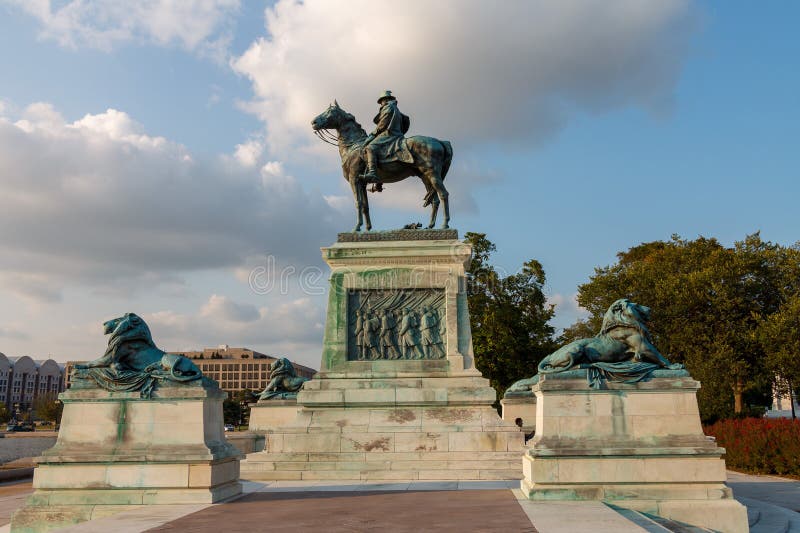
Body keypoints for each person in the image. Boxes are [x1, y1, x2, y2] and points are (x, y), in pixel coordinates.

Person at [362, 90, 411, 182]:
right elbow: (406, 122)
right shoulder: (396, 109)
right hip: (398, 134)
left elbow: (382, 125)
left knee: (370, 148)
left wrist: (372, 135)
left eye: (382, 101)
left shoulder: (388, 107)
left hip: (390, 134)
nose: (381, 103)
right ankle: (379, 181)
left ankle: (372, 172)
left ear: (386, 99)